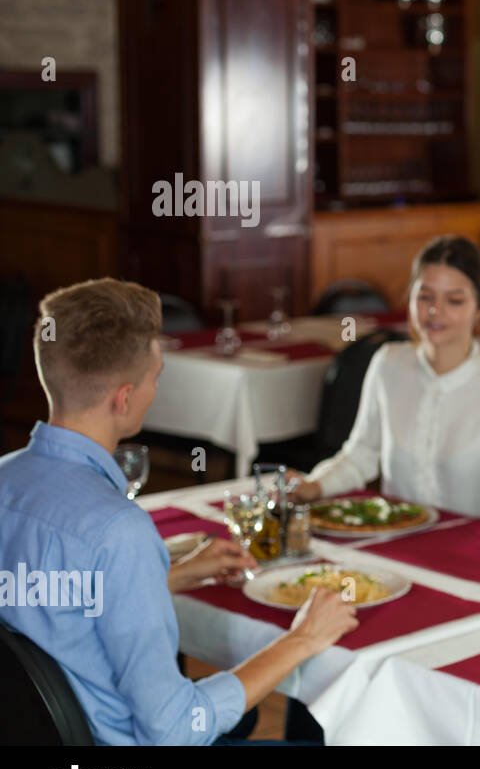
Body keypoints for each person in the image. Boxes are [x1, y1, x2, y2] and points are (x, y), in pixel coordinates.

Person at [0, 278, 357, 745]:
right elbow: (172, 730)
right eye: (156, 375)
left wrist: (167, 576)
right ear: (124, 397)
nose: (155, 387)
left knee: (244, 715)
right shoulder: (117, 530)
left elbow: (46, 602)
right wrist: (303, 639)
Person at [293, 236, 480, 529]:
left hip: (476, 553)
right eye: (425, 297)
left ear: (479, 310)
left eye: (454, 300)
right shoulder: (388, 362)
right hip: (396, 542)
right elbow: (360, 456)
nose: (436, 310)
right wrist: (312, 486)